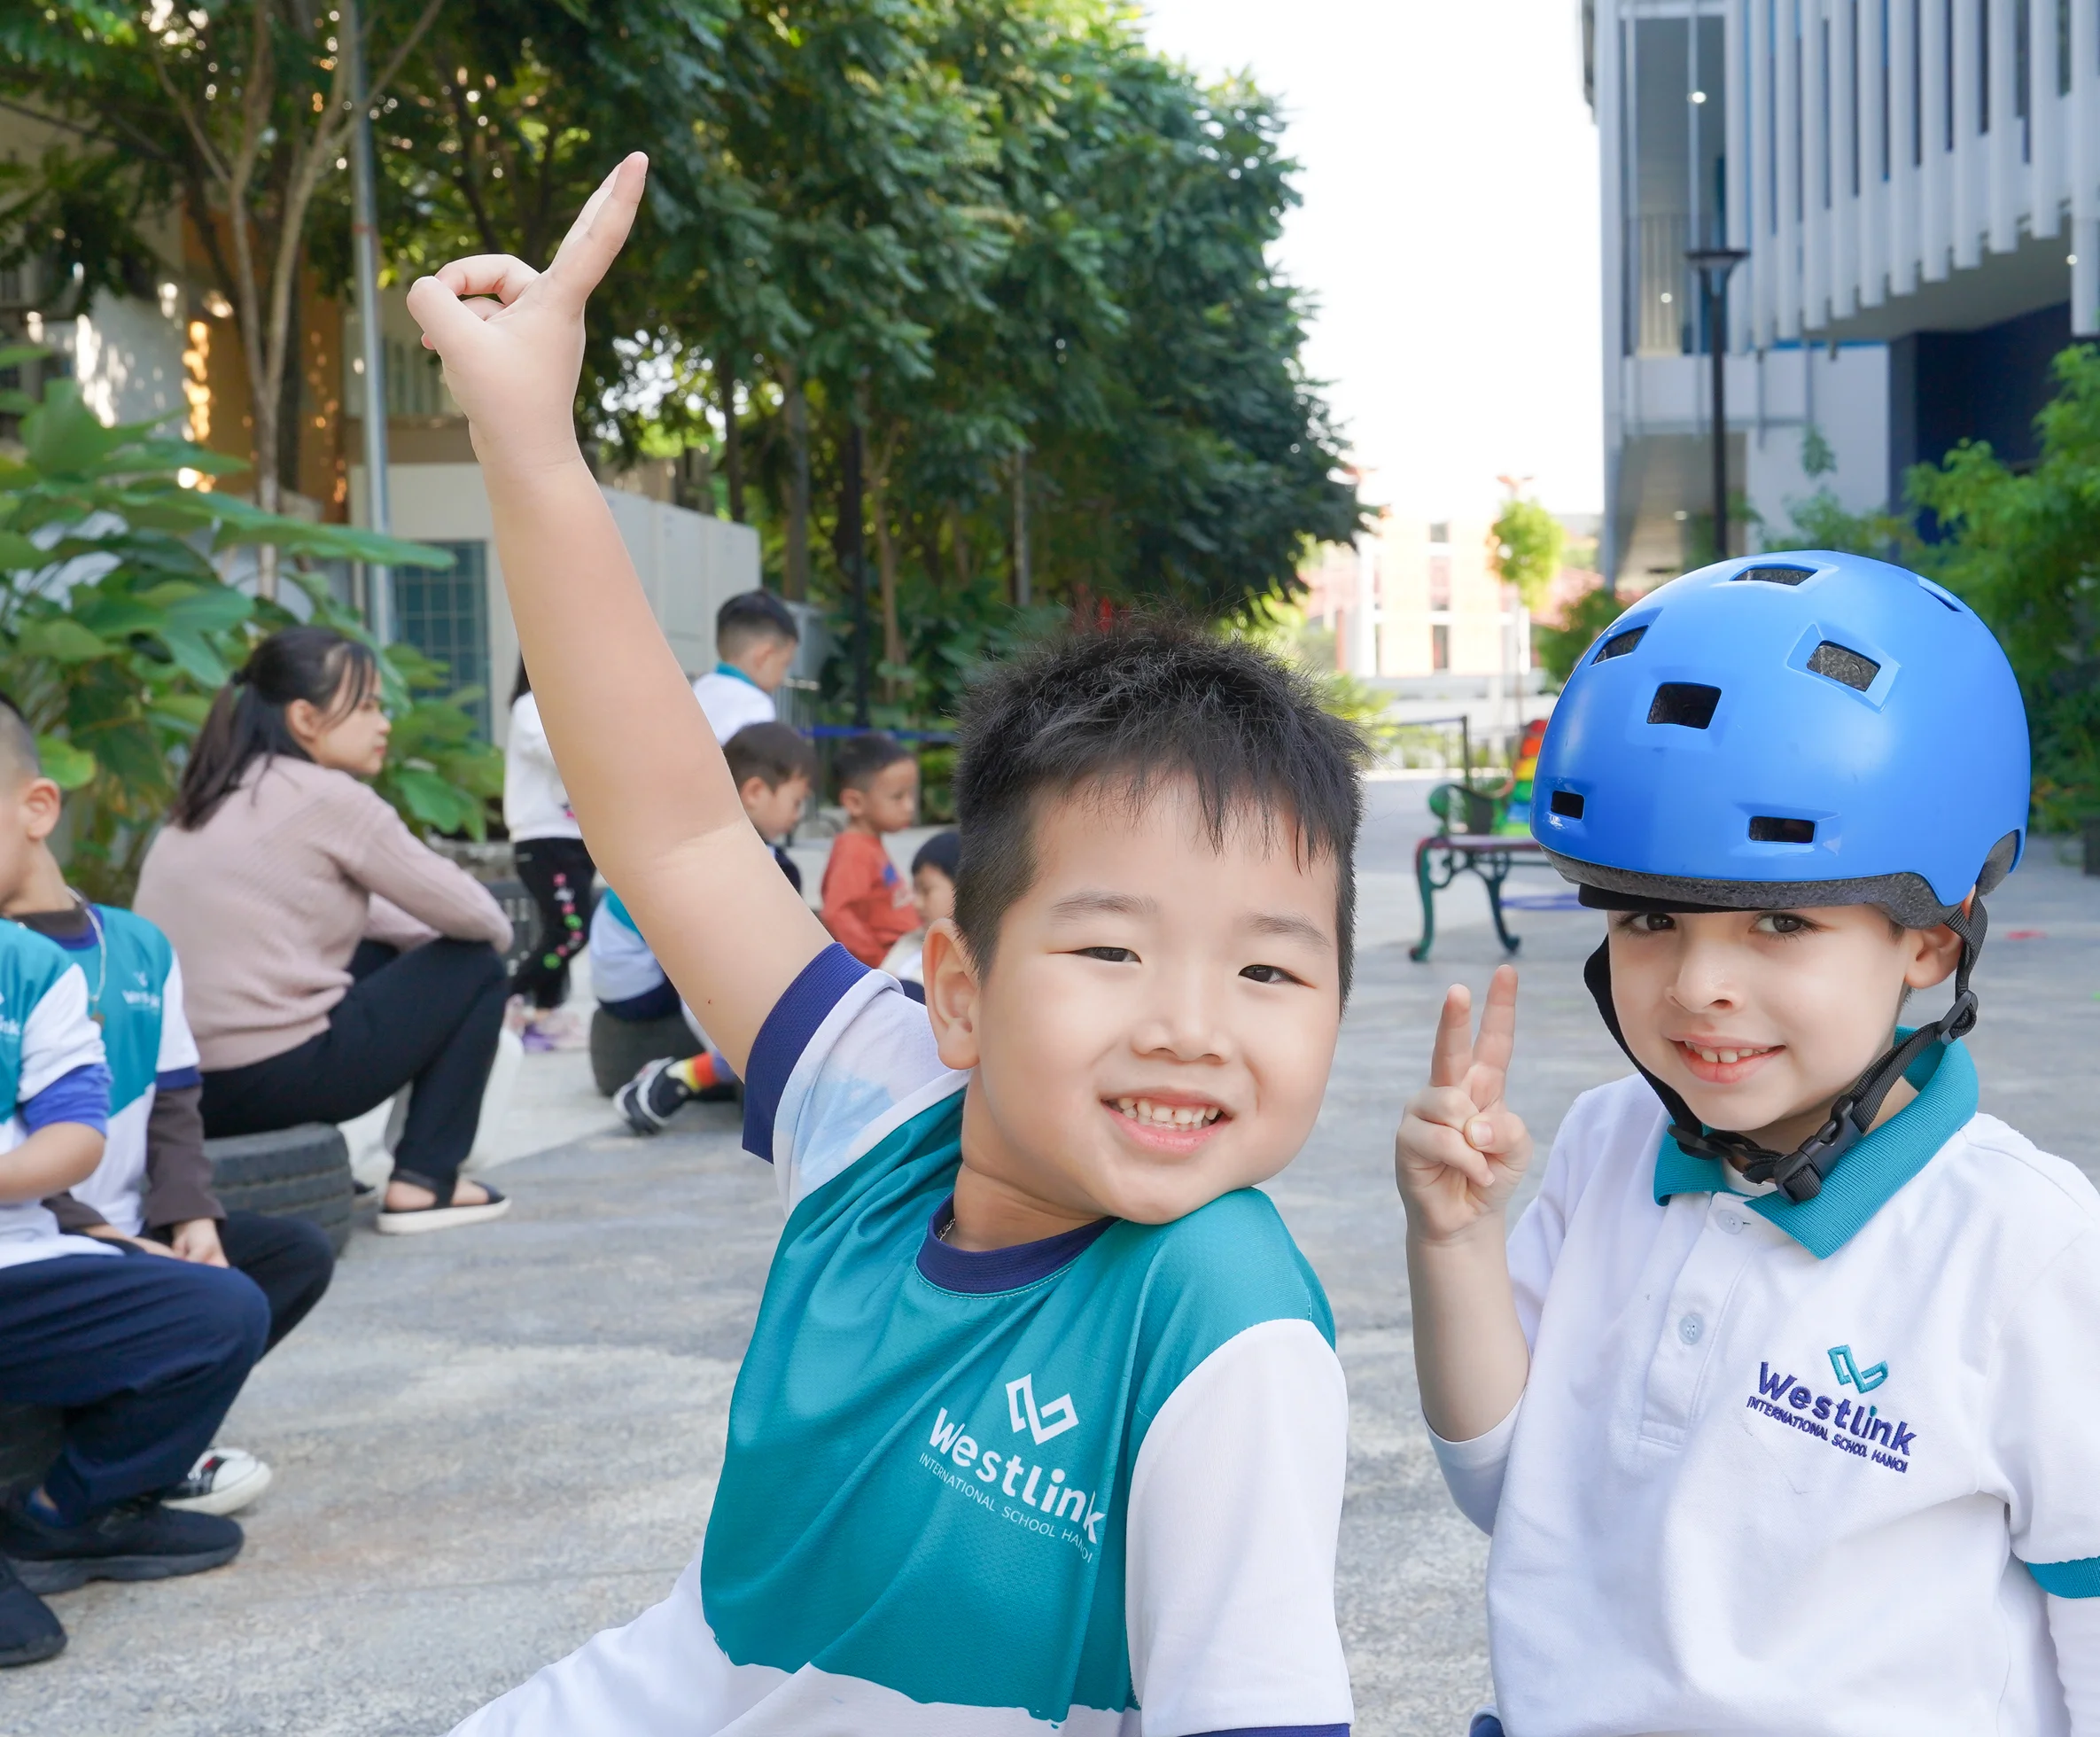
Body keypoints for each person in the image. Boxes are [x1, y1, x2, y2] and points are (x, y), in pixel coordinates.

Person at [407, 155, 1360, 1736]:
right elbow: (679, 829)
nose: (1195, 1024)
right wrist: (526, 435)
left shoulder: (1223, 1321)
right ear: (961, 993)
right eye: (1113, 951)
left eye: (1268, 970)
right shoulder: (885, 1100)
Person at [1393, 550, 2100, 1735]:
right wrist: (1455, 1245)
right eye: (1650, 920)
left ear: (1931, 941)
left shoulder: (2021, 1243)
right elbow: (1511, 1494)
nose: (1698, 986)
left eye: (1780, 922)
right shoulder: (1604, 1144)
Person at [0, 702, 331, 1521]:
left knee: (290, 1255)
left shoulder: (137, 945)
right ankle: (79, 1496)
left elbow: (177, 1102)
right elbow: (34, 1138)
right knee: (209, 1308)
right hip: (51, 1227)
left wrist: (191, 1217)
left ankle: (144, 1446)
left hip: (123, 1221)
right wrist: (103, 1236)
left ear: (38, 807)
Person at [135, 627, 517, 1235]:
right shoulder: (328, 796)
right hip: (274, 1079)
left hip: (187, 1094)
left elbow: (311, 907)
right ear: (306, 718)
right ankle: (424, 1179)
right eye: (366, 706)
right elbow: (481, 919)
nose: (383, 722)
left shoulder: (208, 794)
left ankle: (390, 1171)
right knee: (472, 966)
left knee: (374, 948)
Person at [0, 788, 261, 1666]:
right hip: (65, 1238)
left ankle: (75, 1502)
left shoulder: (35, 964)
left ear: (37, 806)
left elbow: (98, 1125)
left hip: (44, 1244)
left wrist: (185, 1215)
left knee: (236, 1296)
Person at [611, 722, 813, 1130]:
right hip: (643, 983)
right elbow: (709, 964)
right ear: (756, 793)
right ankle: (693, 1074)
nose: (799, 815)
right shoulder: (725, 854)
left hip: (634, 972)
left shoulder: (715, 839)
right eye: (797, 801)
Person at [503, 658, 595, 1051]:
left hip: (574, 837)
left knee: (559, 929)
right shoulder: (530, 707)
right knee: (570, 931)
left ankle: (542, 1015)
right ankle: (505, 996)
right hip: (543, 839)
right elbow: (558, 753)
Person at [819, 733, 919, 968]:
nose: (910, 806)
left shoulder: (868, 843)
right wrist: (877, 962)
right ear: (854, 803)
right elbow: (837, 913)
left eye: (911, 794)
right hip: (891, 961)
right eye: (898, 797)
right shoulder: (854, 851)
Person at [691, 591, 799, 744]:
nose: (782, 678)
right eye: (784, 664)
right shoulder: (757, 705)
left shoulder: (698, 689)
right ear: (764, 656)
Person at [877, 828, 961, 994]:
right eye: (915, 891)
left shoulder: (970, 958)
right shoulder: (908, 942)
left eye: (926, 890)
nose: (917, 903)